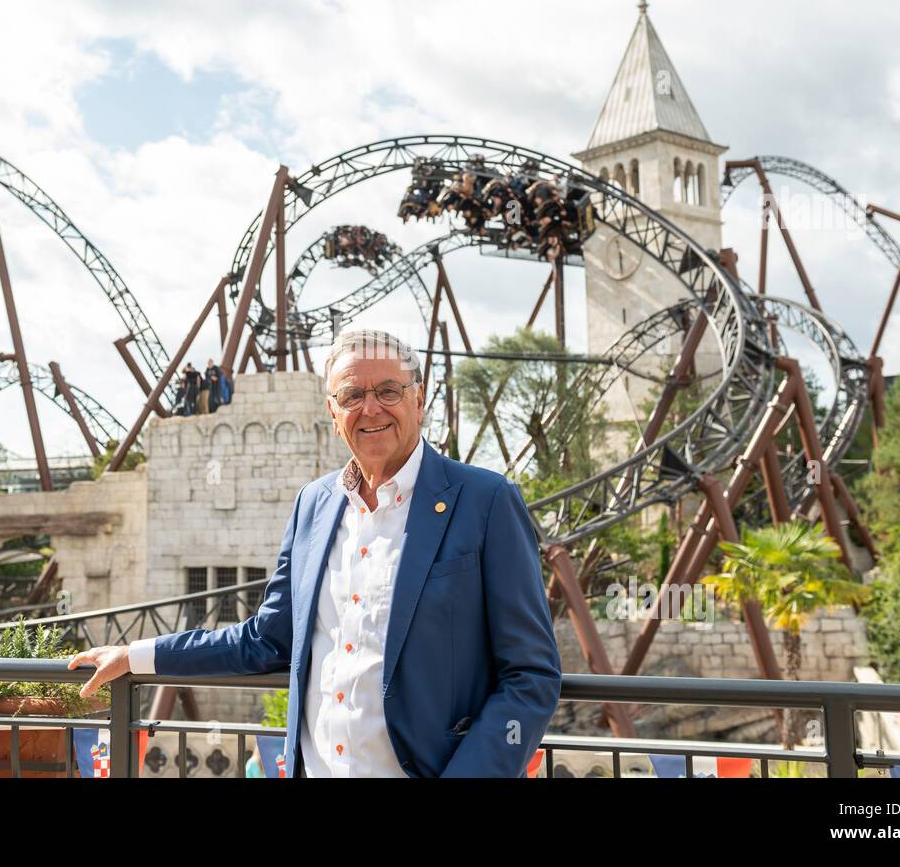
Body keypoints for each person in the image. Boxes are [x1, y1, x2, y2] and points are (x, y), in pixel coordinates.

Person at [68, 328, 561, 777]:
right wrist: (137, 654)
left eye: (388, 391)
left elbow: (531, 673)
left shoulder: (485, 500)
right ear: (332, 412)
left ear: (418, 399)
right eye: (351, 395)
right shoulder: (314, 504)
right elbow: (266, 638)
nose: (370, 409)